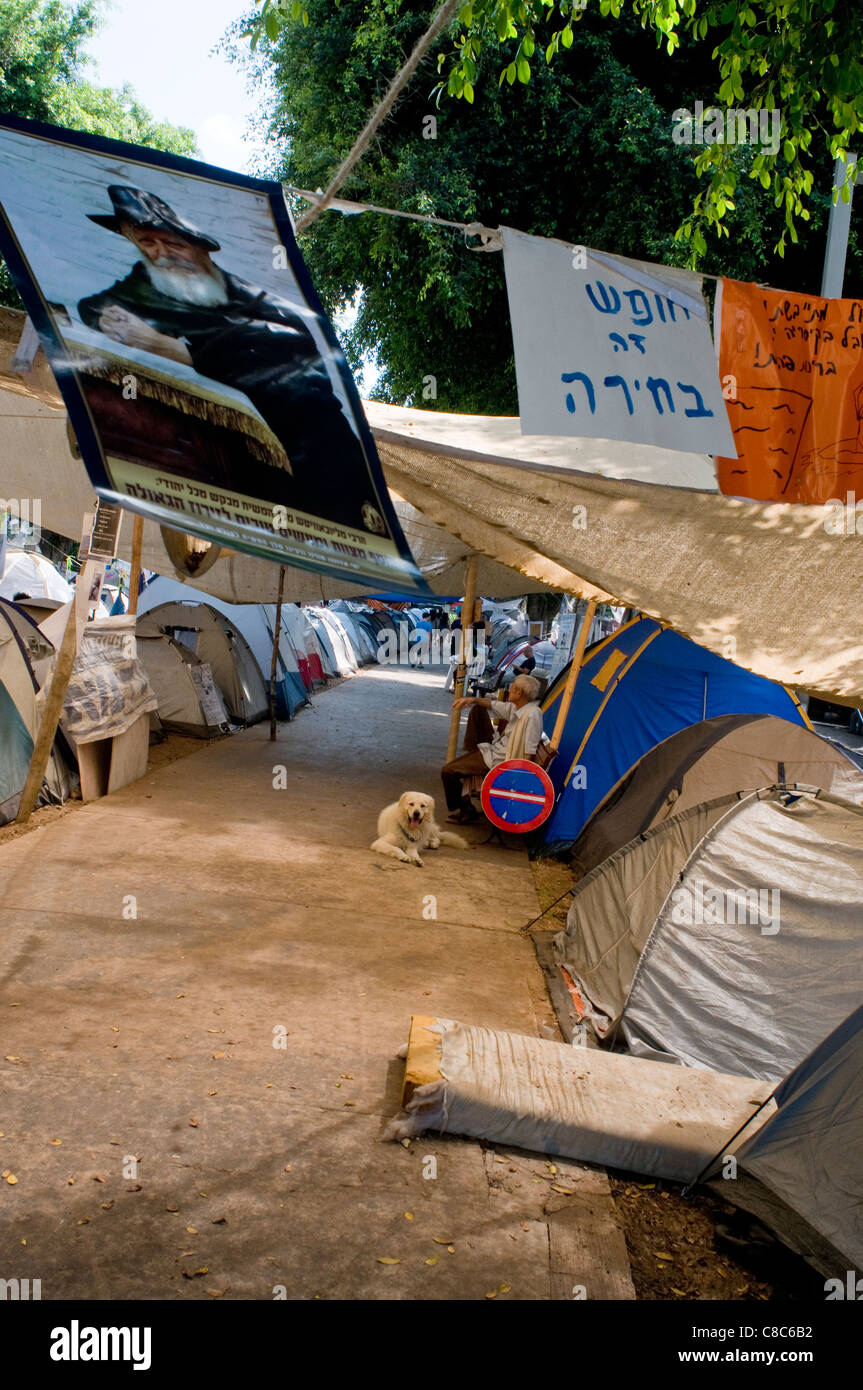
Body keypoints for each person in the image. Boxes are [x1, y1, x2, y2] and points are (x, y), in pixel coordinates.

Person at [78, 185, 386, 532]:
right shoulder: (145, 288)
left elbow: (291, 348)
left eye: (174, 244)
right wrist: (108, 319)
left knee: (347, 522)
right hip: (233, 458)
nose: (161, 254)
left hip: (319, 447)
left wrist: (175, 350)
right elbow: (93, 306)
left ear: (200, 249)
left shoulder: (251, 296)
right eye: (148, 243)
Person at [441, 673, 544, 822]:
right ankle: (472, 753)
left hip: (498, 759)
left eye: (512, 687)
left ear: (519, 693)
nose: (509, 690)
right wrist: (472, 699)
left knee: (448, 771)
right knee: (478, 709)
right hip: (495, 748)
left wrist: (518, 777)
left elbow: (530, 749)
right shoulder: (518, 707)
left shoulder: (533, 714)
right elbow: (492, 704)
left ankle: (465, 810)